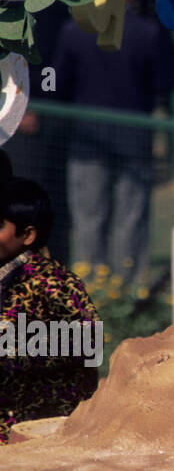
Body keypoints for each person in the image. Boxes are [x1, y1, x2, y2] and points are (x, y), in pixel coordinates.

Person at [50, 0, 174, 287]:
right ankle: (128, 285)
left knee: (88, 217)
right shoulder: (147, 32)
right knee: (130, 217)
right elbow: (165, 81)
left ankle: (89, 282)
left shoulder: (73, 31)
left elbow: (55, 80)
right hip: (133, 137)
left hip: (86, 140)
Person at [0, 178, 100, 445]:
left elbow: (88, 343)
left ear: (28, 235)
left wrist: (12, 347)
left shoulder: (54, 283)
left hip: (38, 424)